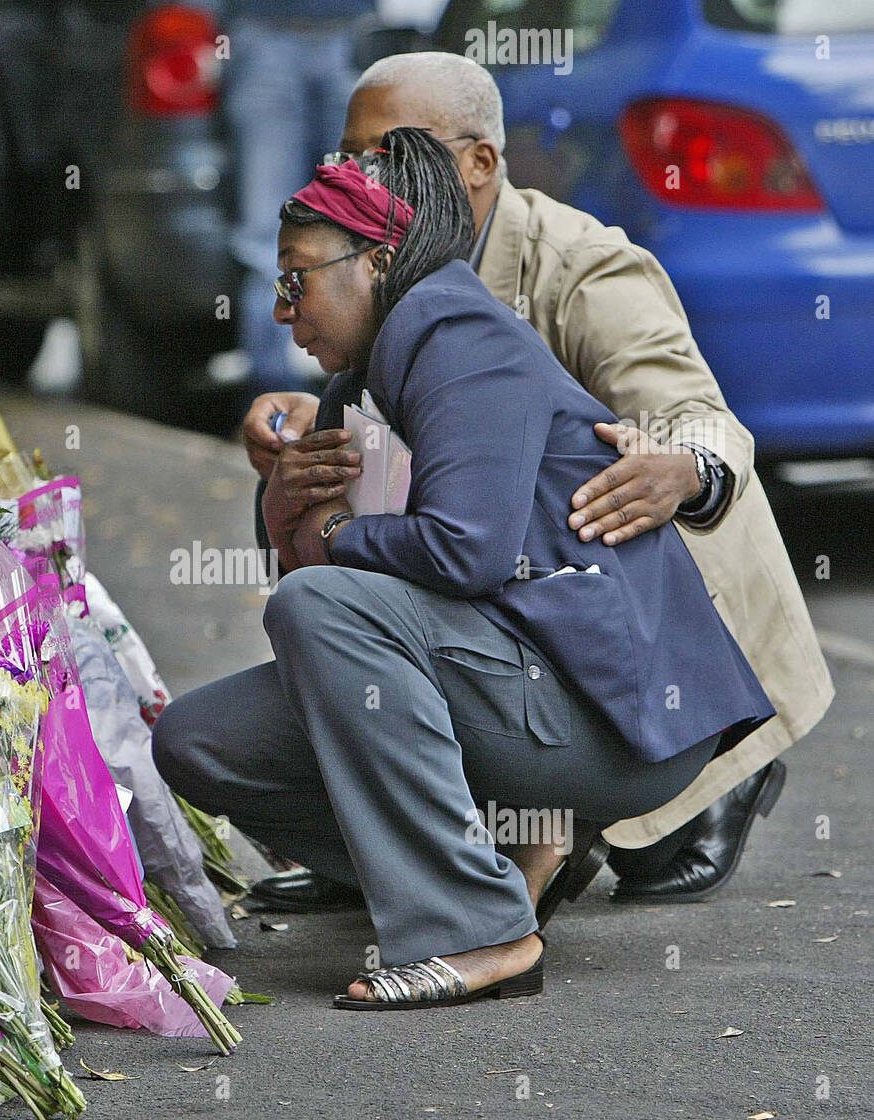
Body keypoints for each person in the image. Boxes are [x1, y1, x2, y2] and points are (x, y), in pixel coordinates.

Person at [151, 129, 775, 1008]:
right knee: (199, 741)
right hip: (515, 677)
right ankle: (487, 862)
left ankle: (481, 933)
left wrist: (329, 540)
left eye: (297, 280)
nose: (284, 311)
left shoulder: (453, 331)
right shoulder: (357, 377)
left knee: (324, 604)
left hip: (609, 713)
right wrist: (284, 504)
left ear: (378, 259)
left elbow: (460, 551)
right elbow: (311, 582)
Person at [241, 52, 831, 912]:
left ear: (479, 164)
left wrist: (686, 470)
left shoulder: (582, 266)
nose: (364, 174)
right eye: (352, 155)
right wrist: (309, 424)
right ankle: (406, 843)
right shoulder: (369, 266)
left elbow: (694, 413)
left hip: (631, 587)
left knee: (646, 863)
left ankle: (723, 767)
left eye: (391, 152)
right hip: (509, 575)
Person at [222, 1, 377, 406]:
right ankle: (271, 393)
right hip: (264, 34)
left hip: (352, 37)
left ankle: (364, 386)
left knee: (362, 221)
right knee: (266, 231)